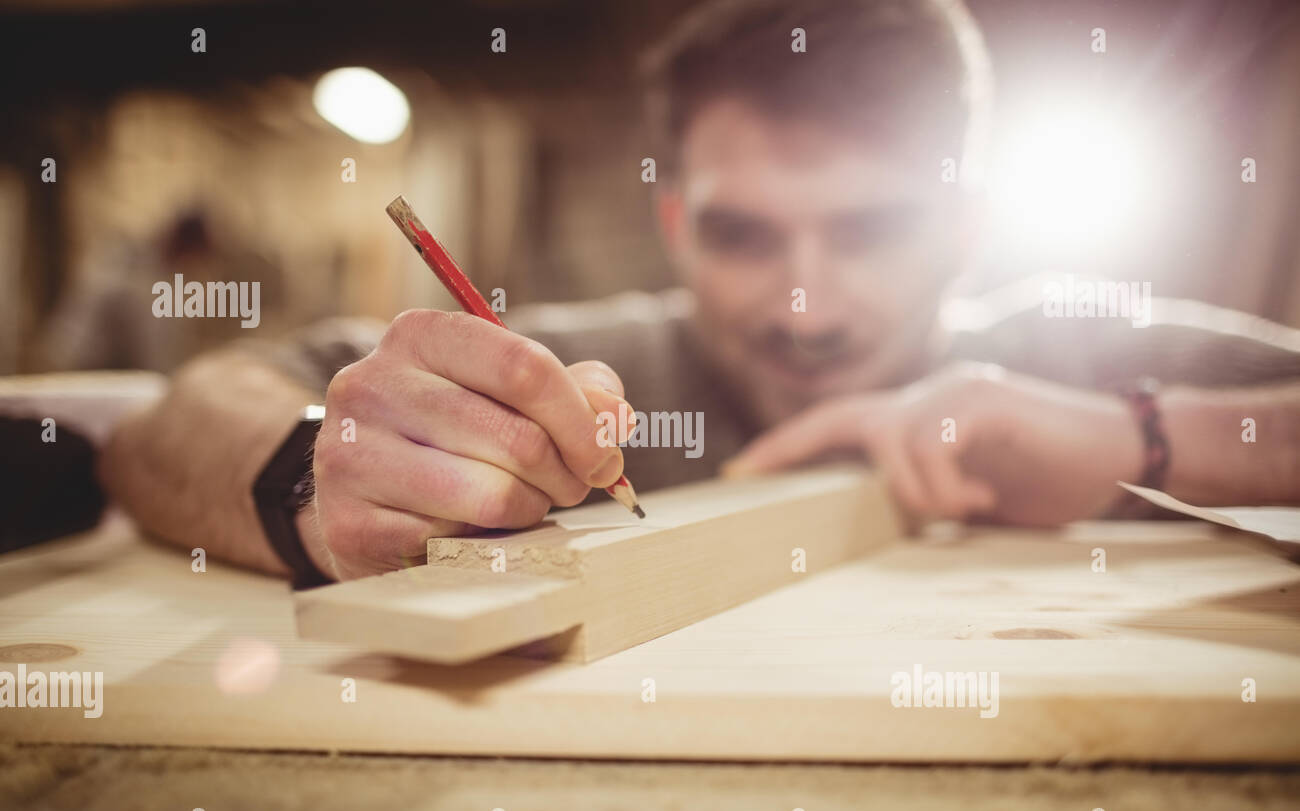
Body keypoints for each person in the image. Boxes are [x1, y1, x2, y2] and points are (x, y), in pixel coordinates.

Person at [99, 0, 1300, 583]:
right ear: (673, 223)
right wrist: (320, 476)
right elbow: (166, 424)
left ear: (965, 225)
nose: (800, 305)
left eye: (870, 231)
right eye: (740, 234)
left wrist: (1141, 432)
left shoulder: (1075, 354)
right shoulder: (596, 370)